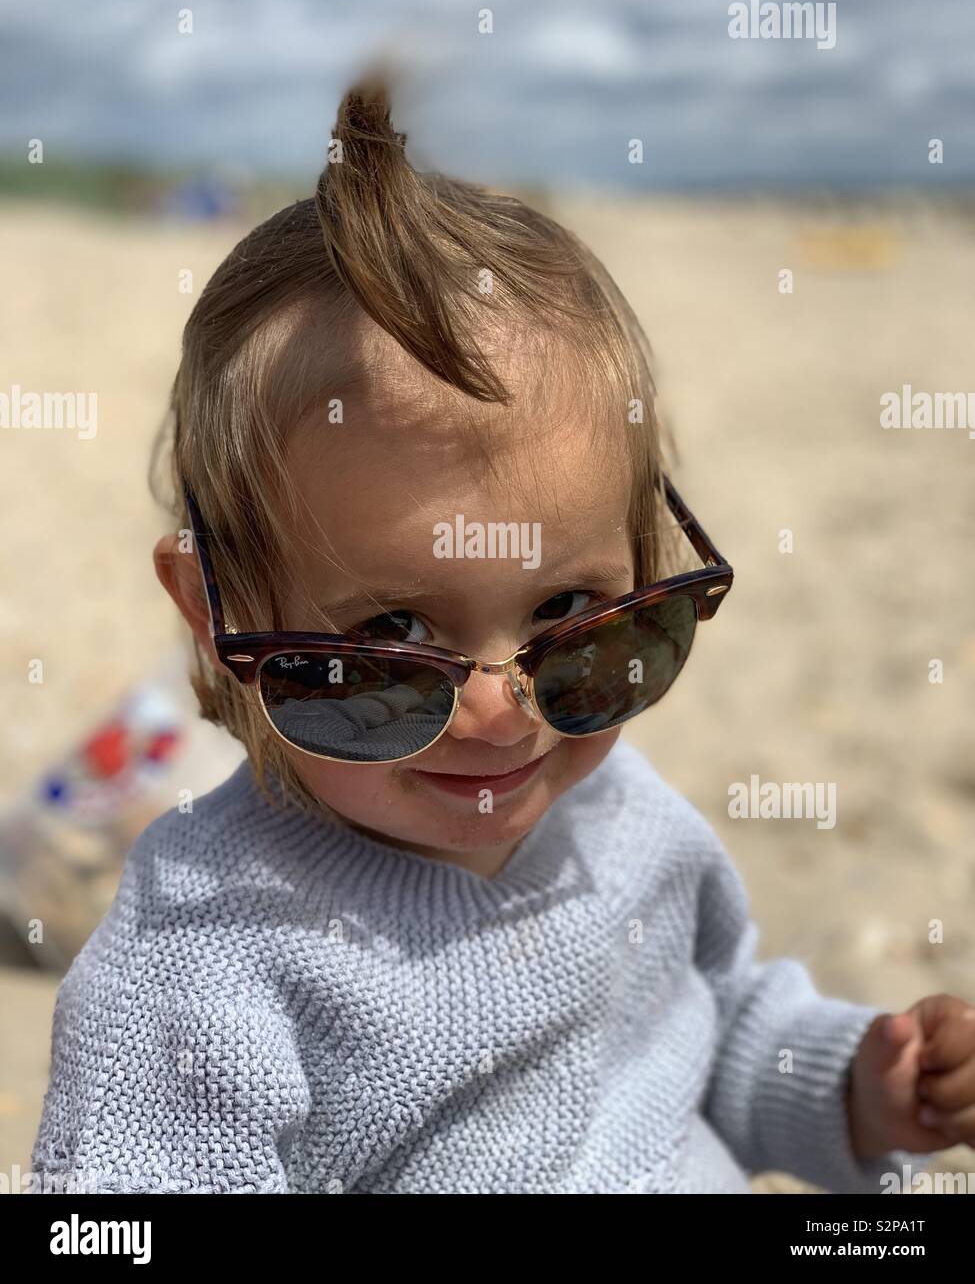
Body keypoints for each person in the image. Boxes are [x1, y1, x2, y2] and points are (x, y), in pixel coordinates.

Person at [29, 72, 975, 1194]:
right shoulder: (205, 957)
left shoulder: (629, 820)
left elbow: (717, 1026)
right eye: (391, 633)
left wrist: (859, 1089)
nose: (500, 709)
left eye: (571, 621)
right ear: (214, 611)